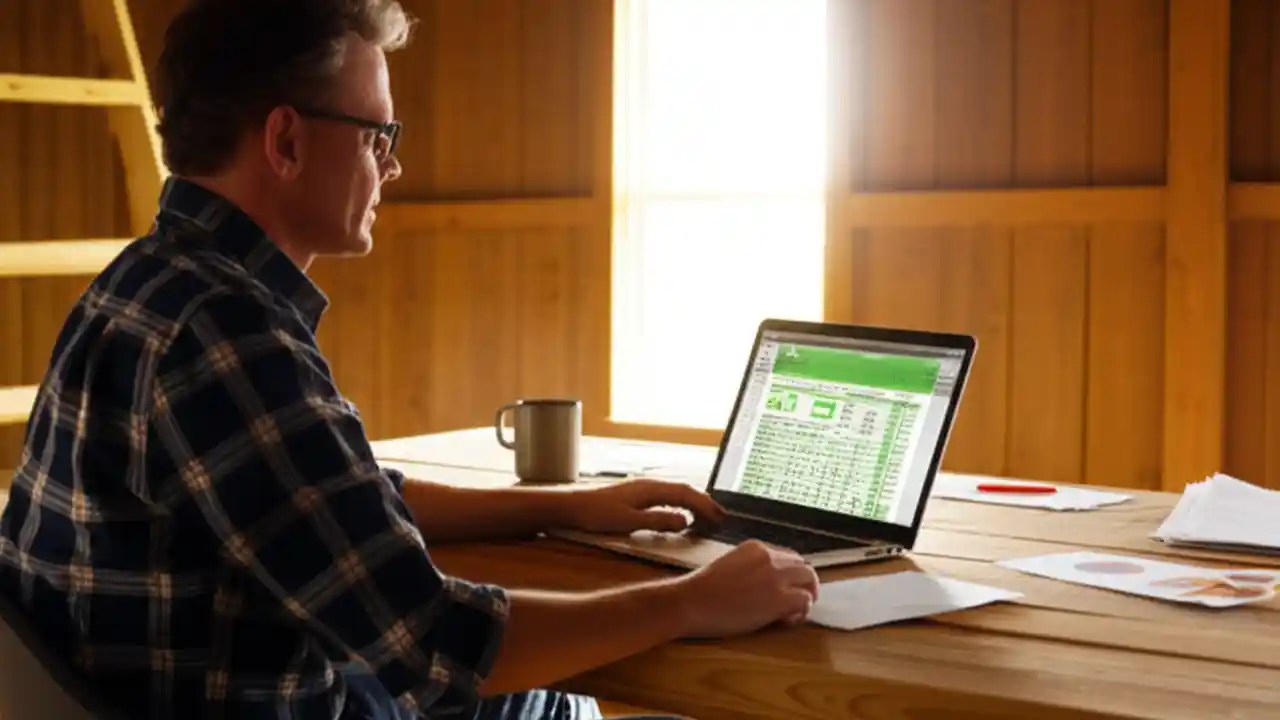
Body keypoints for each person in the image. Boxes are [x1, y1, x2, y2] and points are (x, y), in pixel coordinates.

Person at [0, 1, 820, 718]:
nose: (393, 164)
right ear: (285, 140)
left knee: (559, 699)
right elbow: (438, 650)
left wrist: (561, 507)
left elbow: (332, 504)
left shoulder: (142, 282)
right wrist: (693, 600)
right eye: (378, 134)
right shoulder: (230, 334)